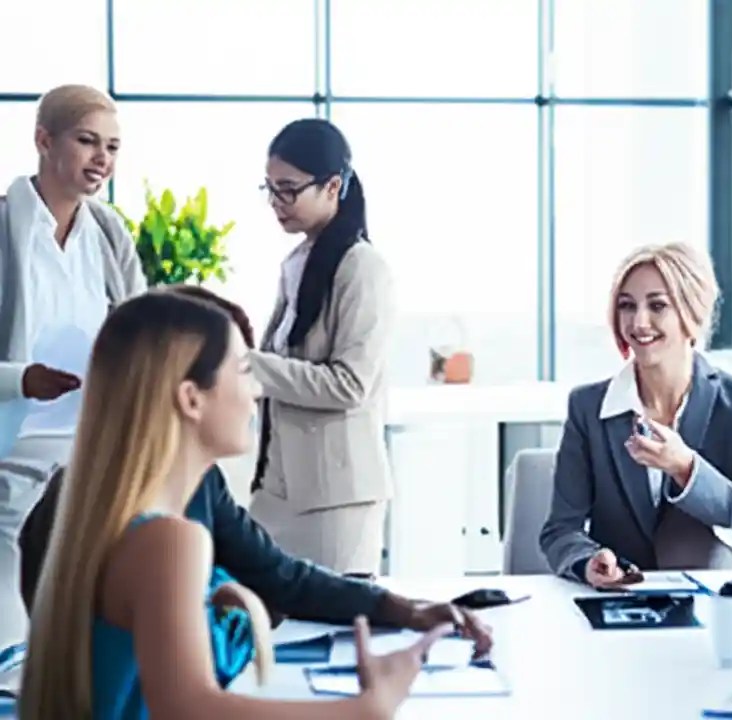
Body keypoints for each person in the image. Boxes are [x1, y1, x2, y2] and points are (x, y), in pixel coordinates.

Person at [20, 291, 442, 719]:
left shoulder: (108, 521)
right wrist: (368, 708)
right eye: (244, 371)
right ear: (191, 398)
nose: (257, 392)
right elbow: (194, 708)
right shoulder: (169, 540)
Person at [540, 242, 732, 587]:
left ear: (692, 315)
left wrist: (686, 469)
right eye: (627, 306)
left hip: (714, 604)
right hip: (618, 604)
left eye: (657, 305)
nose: (639, 322)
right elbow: (560, 531)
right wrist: (588, 563)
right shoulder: (588, 408)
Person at [0, 84, 145, 650]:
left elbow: (139, 332)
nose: (102, 159)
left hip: (88, 455)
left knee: (82, 633)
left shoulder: (109, 234)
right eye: (87, 141)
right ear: (43, 140)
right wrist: (22, 379)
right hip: (11, 457)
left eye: (111, 146)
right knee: (11, 641)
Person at [249, 118, 394, 574]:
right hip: (278, 490)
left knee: (336, 635)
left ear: (332, 186)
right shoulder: (295, 263)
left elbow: (351, 385)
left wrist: (248, 365)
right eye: (270, 189)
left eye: (289, 189)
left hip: (336, 498)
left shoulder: (362, 268)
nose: (277, 203)